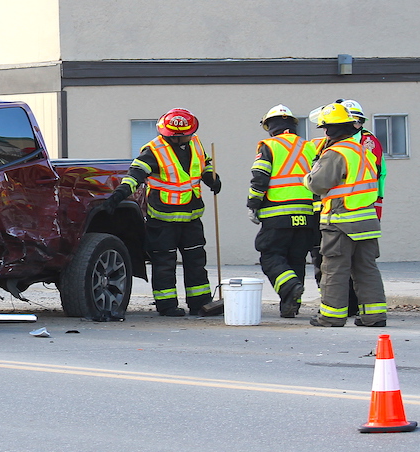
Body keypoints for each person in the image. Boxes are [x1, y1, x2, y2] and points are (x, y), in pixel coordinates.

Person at [101, 108, 223, 317]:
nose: (180, 139)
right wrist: (119, 194)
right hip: (163, 219)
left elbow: (204, 164)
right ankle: (167, 306)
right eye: (175, 136)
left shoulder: (195, 143)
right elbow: (135, 176)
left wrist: (211, 177)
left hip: (192, 216)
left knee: (196, 262)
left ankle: (200, 303)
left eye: (184, 135)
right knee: (164, 264)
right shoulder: (153, 150)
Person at [304, 102, 387, 327]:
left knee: (334, 268)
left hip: (341, 221)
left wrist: (308, 174)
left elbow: (317, 184)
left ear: (330, 129)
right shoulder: (363, 150)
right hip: (367, 220)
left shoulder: (335, 153)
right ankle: (375, 315)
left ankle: (331, 316)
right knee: (366, 268)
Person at [246, 105, 319, 318]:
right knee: (296, 259)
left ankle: (289, 287)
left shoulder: (268, 146)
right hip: (306, 214)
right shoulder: (310, 147)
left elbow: (260, 178)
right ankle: (290, 304)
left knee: (270, 255)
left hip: (277, 214)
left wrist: (253, 204)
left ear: (270, 127)